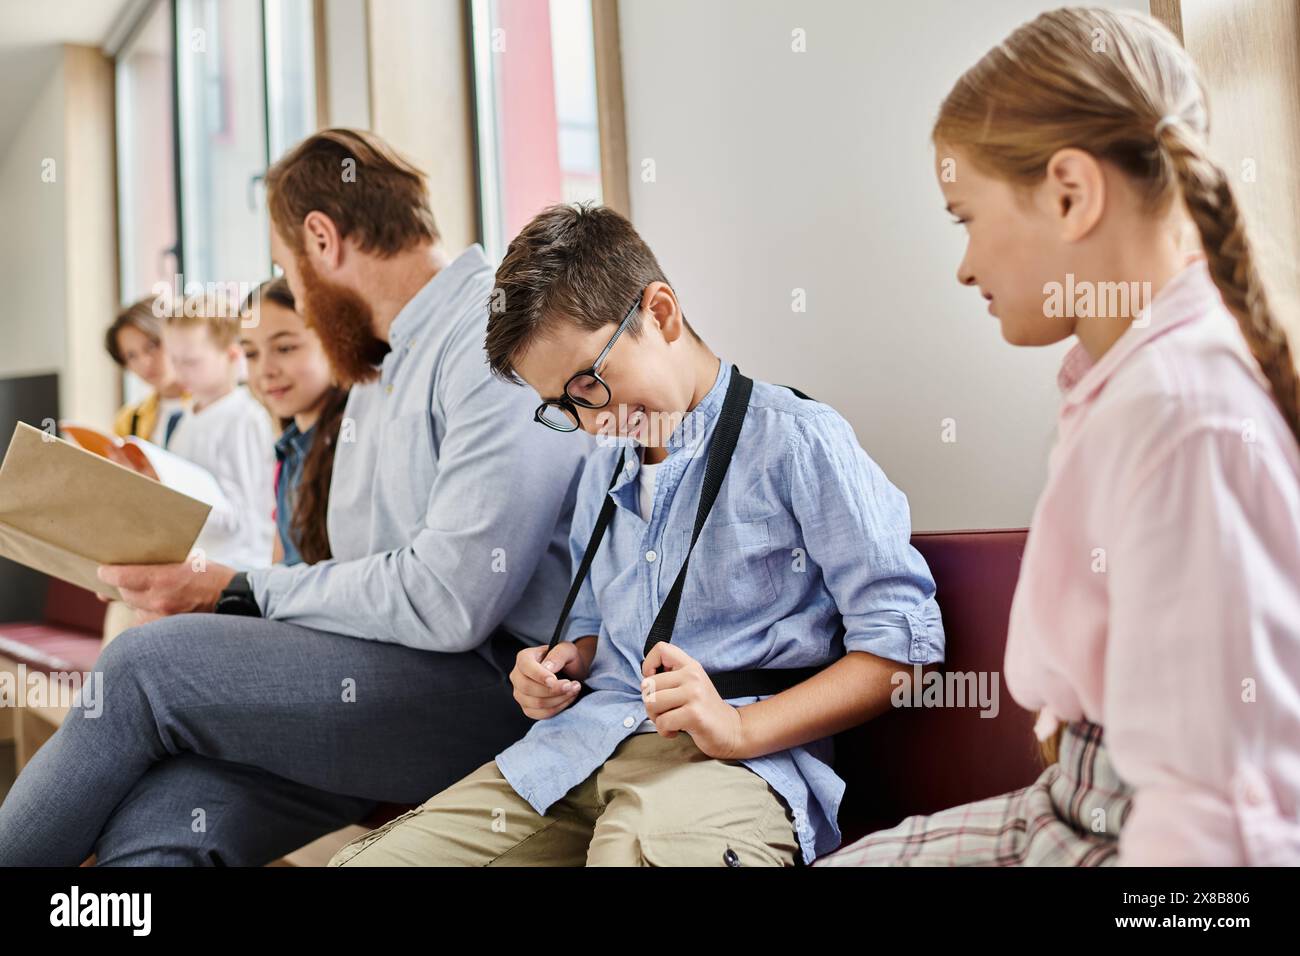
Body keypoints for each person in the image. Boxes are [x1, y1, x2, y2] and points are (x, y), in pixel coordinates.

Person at [0, 129, 588, 866]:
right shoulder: (380, 365)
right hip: (376, 680)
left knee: (141, 667)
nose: (300, 303)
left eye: (289, 271)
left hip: (497, 691)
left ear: (322, 239)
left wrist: (239, 591)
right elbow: (359, 570)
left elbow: (447, 602)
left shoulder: (493, 339)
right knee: (166, 824)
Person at [817, 7, 1300, 867]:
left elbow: (1218, 827)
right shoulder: (1123, 387)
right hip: (1070, 806)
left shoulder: (1181, 418)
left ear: (1071, 193)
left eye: (965, 216)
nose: (964, 265)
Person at [329, 203, 944, 867]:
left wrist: (740, 726)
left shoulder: (795, 439)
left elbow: (905, 648)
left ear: (661, 314)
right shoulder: (605, 464)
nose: (591, 423)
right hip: (583, 745)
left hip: (729, 766)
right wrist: (564, 662)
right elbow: (603, 625)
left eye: (590, 384)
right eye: (563, 407)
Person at [239, 276, 348, 566]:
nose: (265, 370)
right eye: (251, 354)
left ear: (332, 342)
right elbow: (279, 568)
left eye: (285, 348)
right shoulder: (289, 452)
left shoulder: (351, 447)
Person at [162, 297, 277, 571]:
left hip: (235, 568)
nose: (179, 372)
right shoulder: (184, 420)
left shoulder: (246, 419)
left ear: (232, 355)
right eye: (174, 361)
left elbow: (248, 519)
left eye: (190, 362)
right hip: (194, 560)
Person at [106, 297, 187, 447]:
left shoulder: (209, 406)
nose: (144, 363)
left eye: (151, 346)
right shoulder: (129, 421)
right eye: (131, 356)